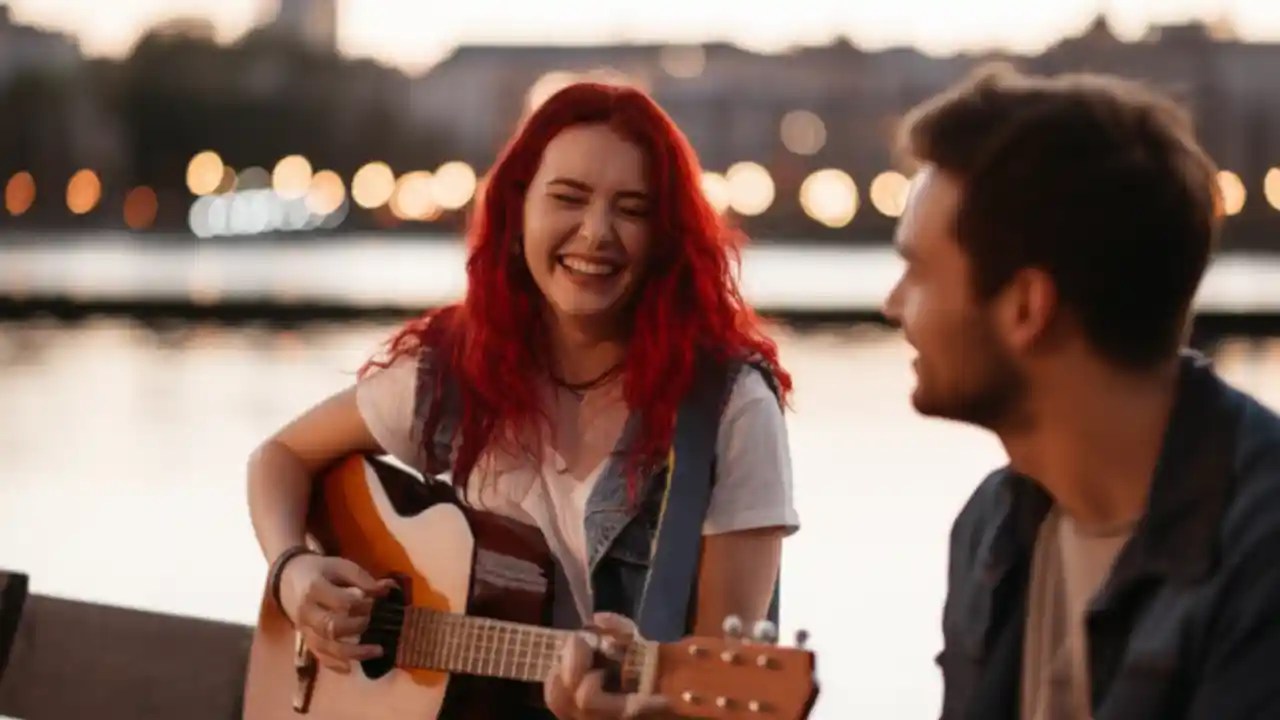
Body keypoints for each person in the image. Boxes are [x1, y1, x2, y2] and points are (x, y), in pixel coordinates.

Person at [246, 80, 799, 719]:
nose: (596, 233)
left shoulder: (729, 410)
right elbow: (280, 456)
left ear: (668, 237)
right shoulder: (456, 369)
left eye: (634, 209)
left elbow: (722, 701)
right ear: (517, 212)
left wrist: (625, 711)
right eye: (568, 198)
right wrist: (292, 573)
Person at [882, 63, 1280, 719]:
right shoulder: (994, 528)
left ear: (1026, 308)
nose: (893, 305)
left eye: (917, 271)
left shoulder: (1259, 557)